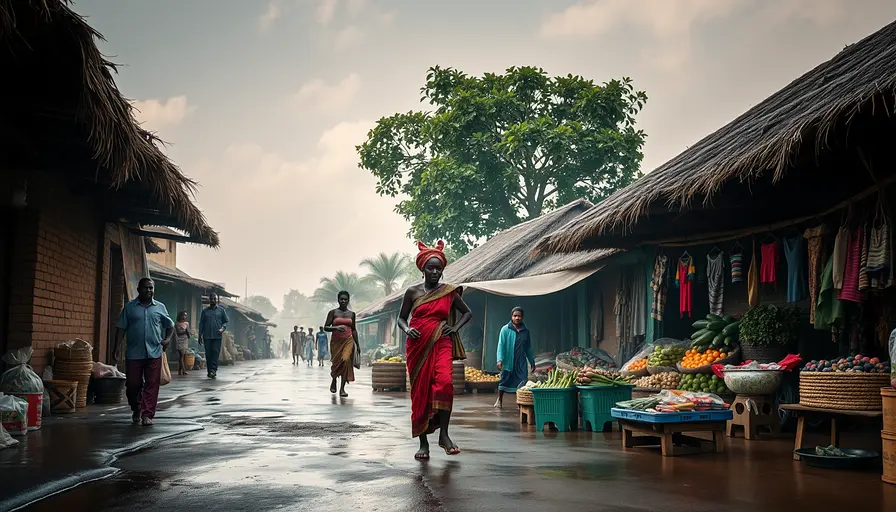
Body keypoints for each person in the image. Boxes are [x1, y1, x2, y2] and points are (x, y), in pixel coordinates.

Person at [397, 240, 472, 460]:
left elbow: (467, 312)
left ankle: (444, 435)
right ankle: (423, 443)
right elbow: (401, 318)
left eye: (438, 268)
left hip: (442, 340)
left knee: (445, 383)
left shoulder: (448, 292)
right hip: (417, 345)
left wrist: (454, 328)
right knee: (420, 391)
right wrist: (407, 329)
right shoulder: (412, 292)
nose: (435, 272)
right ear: (423, 269)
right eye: (431, 268)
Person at [113, 278, 174, 426]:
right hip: (134, 353)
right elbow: (121, 328)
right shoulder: (130, 308)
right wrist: (116, 347)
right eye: (146, 288)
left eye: (151, 288)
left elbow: (170, 325)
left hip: (154, 352)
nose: (149, 290)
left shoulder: (160, 307)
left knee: (152, 384)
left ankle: (147, 414)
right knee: (133, 384)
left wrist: (167, 339)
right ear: (139, 289)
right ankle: (136, 407)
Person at [495, 307, 535, 408]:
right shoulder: (505, 329)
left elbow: (528, 347)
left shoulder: (525, 331)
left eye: (519, 316)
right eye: (515, 316)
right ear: (511, 316)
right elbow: (501, 345)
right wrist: (499, 360)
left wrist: (532, 361)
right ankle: (499, 400)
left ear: (522, 317)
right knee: (504, 380)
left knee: (522, 382)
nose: (517, 318)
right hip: (508, 361)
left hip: (521, 361)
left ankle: (519, 402)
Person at [324, 291, 360, 397]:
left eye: (345, 299)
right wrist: (336, 328)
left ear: (348, 300)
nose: (343, 301)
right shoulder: (333, 313)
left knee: (345, 361)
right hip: (335, 342)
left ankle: (342, 389)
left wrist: (357, 345)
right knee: (336, 363)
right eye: (341, 299)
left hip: (348, 341)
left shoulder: (352, 314)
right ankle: (334, 379)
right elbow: (326, 327)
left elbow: (354, 329)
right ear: (338, 300)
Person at [198, 293, 229, 379]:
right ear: (209, 300)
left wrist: (222, 328)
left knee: (215, 353)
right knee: (208, 354)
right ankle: (209, 371)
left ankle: (213, 370)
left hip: (217, 336)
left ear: (217, 300)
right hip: (207, 336)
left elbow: (226, 321)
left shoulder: (221, 310)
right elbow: (201, 324)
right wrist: (200, 335)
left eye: (214, 299)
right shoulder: (205, 311)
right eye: (211, 299)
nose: (213, 300)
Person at [174, 311, 192, 376]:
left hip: (185, 340)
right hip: (179, 340)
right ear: (180, 316)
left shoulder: (187, 323)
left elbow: (189, 332)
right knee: (181, 355)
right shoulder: (177, 323)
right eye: (183, 315)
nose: (185, 317)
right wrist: (185, 332)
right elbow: (178, 332)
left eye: (186, 315)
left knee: (183, 356)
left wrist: (189, 334)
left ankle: (179, 371)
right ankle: (184, 370)